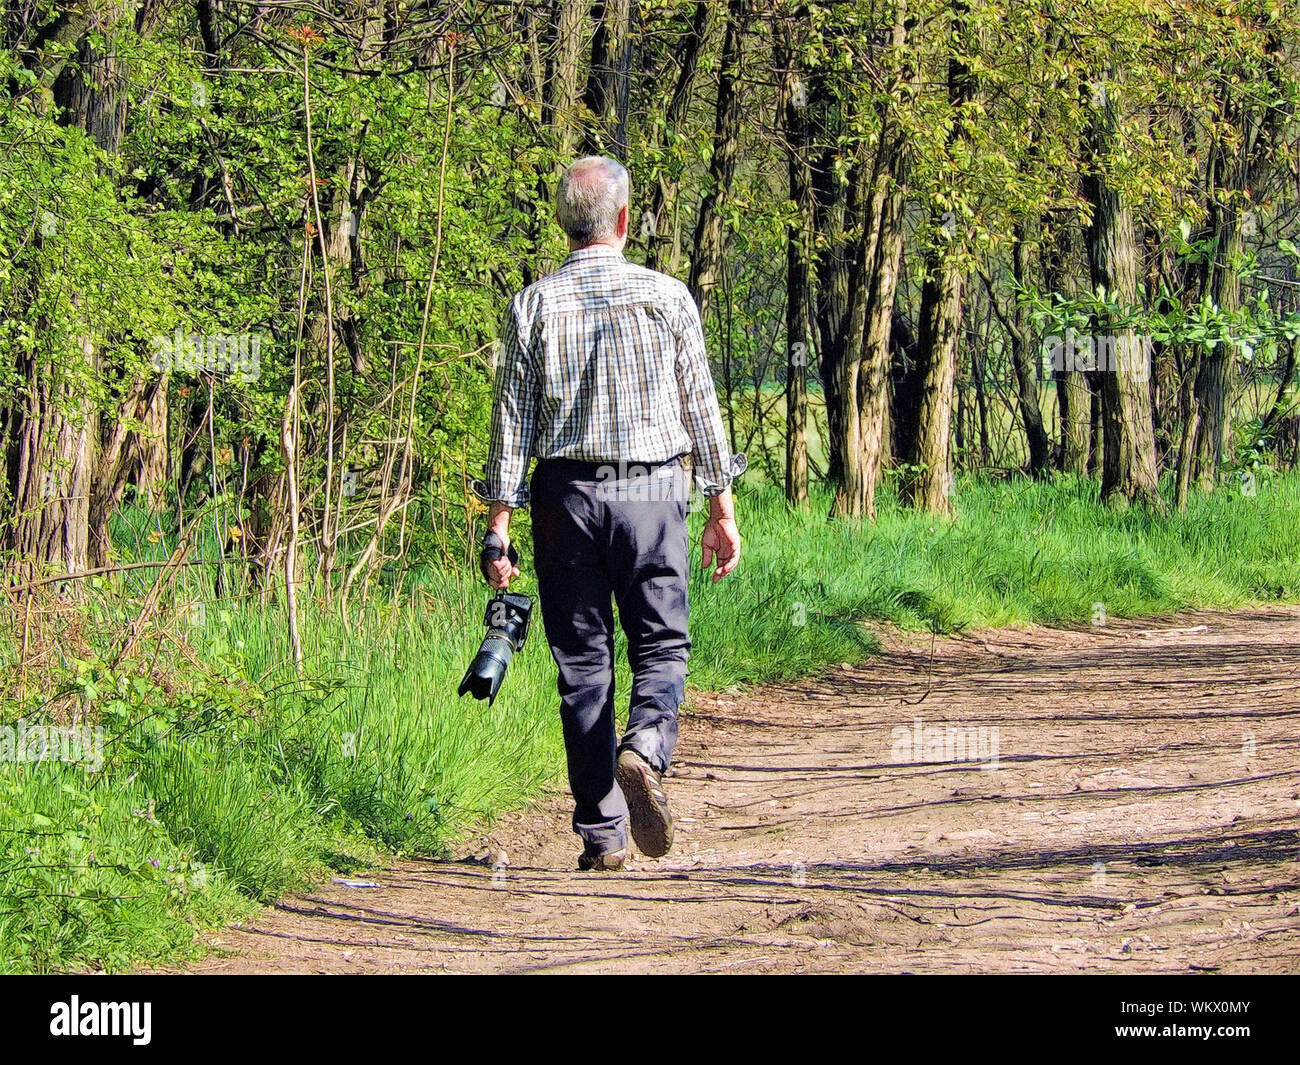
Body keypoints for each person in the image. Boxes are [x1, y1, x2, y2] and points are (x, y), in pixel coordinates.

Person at [471, 155, 745, 871]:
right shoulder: (668, 298)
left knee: (582, 664)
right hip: (651, 491)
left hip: (567, 497)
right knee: (661, 641)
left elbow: (512, 428)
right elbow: (702, 408)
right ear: (624, 220)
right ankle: (645, 748)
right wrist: (721, 504)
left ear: (564, 223)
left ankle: (602, 831)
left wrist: (498, 524)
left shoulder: (532, 306)